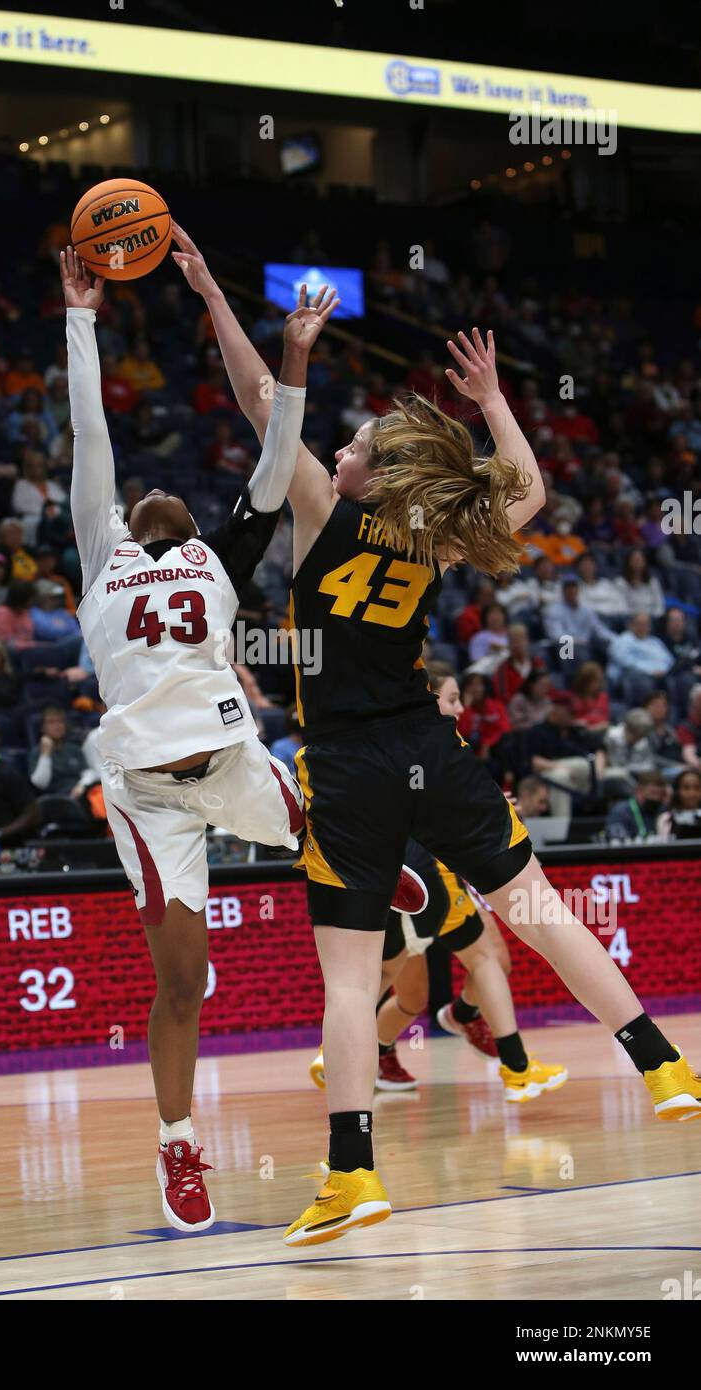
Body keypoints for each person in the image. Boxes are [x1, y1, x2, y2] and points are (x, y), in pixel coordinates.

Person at [174, 225, 701, 1252]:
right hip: (432, 743)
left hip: (347, 763)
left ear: (370, 472)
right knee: (540, 909)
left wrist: (208, 292)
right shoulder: (429, 530)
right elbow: (530, 493)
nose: (334, 450)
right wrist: (495, 401)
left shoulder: (325, 511)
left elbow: (257, 405)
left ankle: (352, 1173)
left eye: (351, 445)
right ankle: (658, 1063)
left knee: (340, 980)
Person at [63, 243, 334, 1234]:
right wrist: (80, 318)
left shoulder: (220, 557)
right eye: (141, 502)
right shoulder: (102, 556)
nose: (151, 495)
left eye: (167, 499)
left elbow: (272, 465)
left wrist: (292, 364)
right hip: (148, 795)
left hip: (229, 765)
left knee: (337, 808)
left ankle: (340, 846)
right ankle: (178, 1149)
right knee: (181, 982)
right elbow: (90, 439)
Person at [310, 671, 566, 1102]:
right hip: (420, 872)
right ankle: (515, 1065)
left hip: (400, 871)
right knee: (484, 958)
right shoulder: (417, 742)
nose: (461, 709)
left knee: (410, 988)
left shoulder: (417, 743)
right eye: (452, 699)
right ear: (427, 700)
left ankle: (374, 1050)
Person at [29, 706, 88, 796]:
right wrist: (45, 754)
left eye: (60, 721)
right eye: (51, 722)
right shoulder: (36, 752)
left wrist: (82, 785)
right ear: (42, 728)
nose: (57, 726)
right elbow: (41, 784)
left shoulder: (74, 749)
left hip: (80, 792)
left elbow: (87, 773)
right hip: (55, 798)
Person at [604, 769, 670, 843]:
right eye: (653, 793)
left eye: (661, 795)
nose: (656, 799)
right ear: (639, 791)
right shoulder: (621, 812)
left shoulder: (663, 810)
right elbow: (616, 843)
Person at [658, 768, 701, 840]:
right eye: (686, 788)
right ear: (677, 791)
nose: (692, 793)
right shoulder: (666, 819)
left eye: (697, 788)